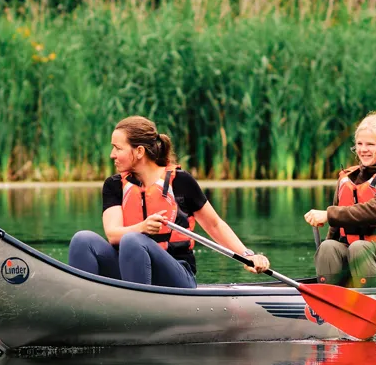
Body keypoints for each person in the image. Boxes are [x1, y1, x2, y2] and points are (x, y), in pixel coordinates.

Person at [68, 116, 270, 287]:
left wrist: (248, 255)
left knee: (133, 240)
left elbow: (215, 225)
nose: (112, 154)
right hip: (129, 271)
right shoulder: (113, 185)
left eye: (117, 148)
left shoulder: (181, 181)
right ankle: (82, 308)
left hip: (177, 274)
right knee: (82, 240)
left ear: (139, 151)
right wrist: (143, 227)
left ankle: (140, 313)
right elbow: (112, 235)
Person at [304, 111, 376, 288]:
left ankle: (368, 301)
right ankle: (330, 298)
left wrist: (328, 214)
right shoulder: (347, 178)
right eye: (359, 144)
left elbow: (375, 211)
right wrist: (326, 251)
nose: (363, 149)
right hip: (355, 258)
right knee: (327, 247)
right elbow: (336, 227)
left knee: (360, 248)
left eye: (370, 144)